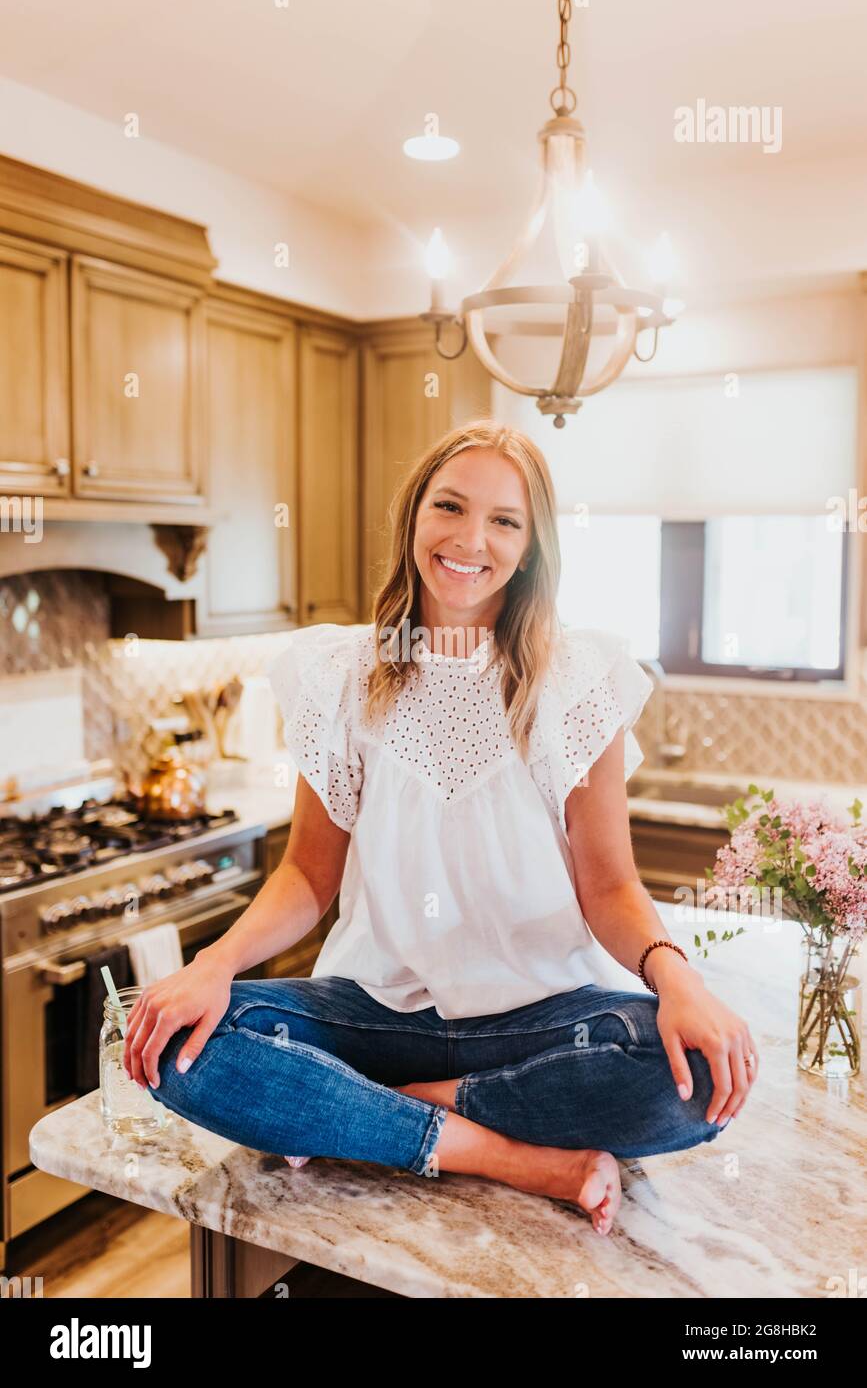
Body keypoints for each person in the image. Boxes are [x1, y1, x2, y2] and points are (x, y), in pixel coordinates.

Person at [124, 419, 758, 1238]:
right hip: (375, 1015)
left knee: (700, 1077)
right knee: (183, 1048)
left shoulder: (579, 678)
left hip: (539, 1019)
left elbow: (608, 884)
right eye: (449, 506)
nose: (469, 539)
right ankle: (506, 1154)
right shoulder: (340, 674)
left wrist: (679, 982)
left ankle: (379, 1117)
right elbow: (307, 876)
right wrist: (212, 966)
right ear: (413, 518)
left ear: (531, 547)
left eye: (504, 520)